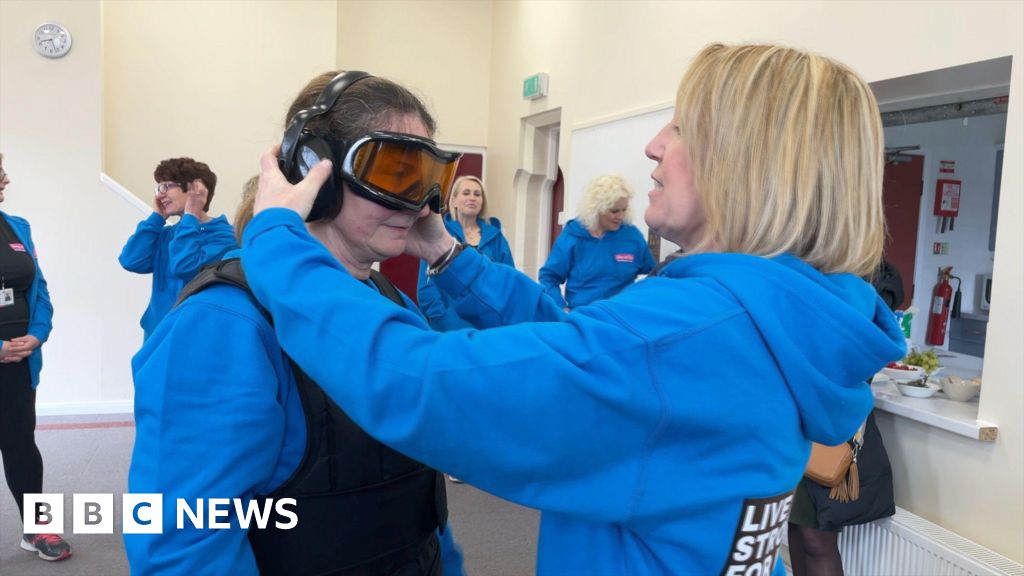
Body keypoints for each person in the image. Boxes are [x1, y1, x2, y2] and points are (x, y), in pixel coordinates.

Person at [241, 43, 906, 575]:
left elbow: (419, 382)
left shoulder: (688, 334)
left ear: (747, 163)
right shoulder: (774, 317)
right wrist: (448, 256)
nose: (654, 145)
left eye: (681, 126)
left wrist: (276, 238)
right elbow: (575, 343)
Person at [126, 71, 464, 576]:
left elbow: (420, 498)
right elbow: (181, 541)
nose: (417, 202)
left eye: (429, 178)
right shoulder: (223, 322)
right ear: (314, 171)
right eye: (396, 172)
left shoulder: (392, 301)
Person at [787, 261, 902, 576]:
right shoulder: (803, 278)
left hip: (830, 427)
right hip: (798, 426)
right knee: (798, 530)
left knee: (817, 537)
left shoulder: (862, 289)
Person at [0, 153, 71, 562]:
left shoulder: (17, 226)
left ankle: (37, 529)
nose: (6, 180)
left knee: (21, 446)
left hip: (18, 362)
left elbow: (38, 289)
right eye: (0, 173)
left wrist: (37, 334)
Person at [118, 157, 236, 340]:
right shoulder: (168, 235)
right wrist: (157, 217)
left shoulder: (225, 236)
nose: (160, 195)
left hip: (192, 338)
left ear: (194, 188)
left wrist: (190, 216)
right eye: (158, 188)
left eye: (166, 187)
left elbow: (185, 267)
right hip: (156, 336)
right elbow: (130, 260)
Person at [539, 174, 655, 310]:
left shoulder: (632, 237)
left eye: (624, 209)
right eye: (614, 211)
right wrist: (562, 309)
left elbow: (653, 274)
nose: (621, 216)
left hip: (621, 316)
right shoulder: (573, 237)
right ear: (597, 209)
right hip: (584, 316)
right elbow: (548, 277)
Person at [417, 175, 514, 330]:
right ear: (454, 200)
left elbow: (508, 281)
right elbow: (426, 287)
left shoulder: (497, 238)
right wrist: (444, 320)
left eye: (477, 194)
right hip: (449, 328)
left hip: (490, 328)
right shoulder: (440, 235)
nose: (472, 198)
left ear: (482, 202)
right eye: (466, 193)